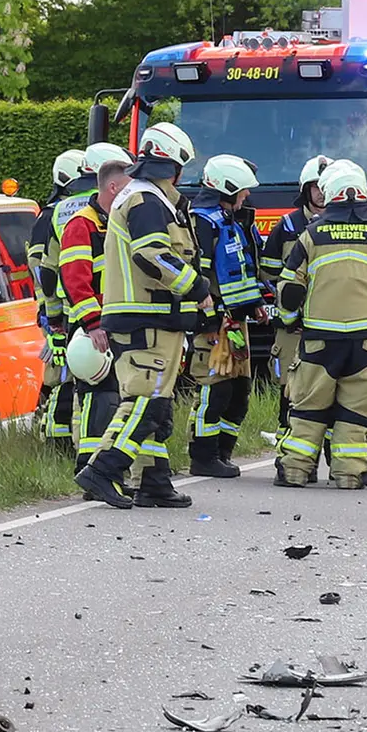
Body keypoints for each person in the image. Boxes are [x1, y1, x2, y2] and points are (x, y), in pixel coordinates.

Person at [73, 122, 210, 510]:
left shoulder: (144, 197)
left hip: (151, 319)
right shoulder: (147, 201)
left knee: (157, 405)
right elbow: (153, 255)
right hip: (145, 319)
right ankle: (104, 469)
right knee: (144, 402)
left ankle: (154, 482)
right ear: (175, 169)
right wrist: (196, 288)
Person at [275, 160, 367, 489]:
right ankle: (349, 475)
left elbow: (290, 289)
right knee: (355, 413)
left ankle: (295, 471)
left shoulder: (311, 234)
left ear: (329, 194)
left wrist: (292, 320)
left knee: (309, 408)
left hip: (319, 341)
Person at [186, 154, 266, 478]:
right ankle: (202, 457)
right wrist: (206, 321)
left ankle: (223, 452)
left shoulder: (234, 220)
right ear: (226, 189)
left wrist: (256, 303)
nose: (247, 196)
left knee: (239, 391)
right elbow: (198, 276)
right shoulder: (202, 222)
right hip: (214, 322)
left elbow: (244, 272)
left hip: (236, 321)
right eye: (243, 191)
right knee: (213, 389)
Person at [57, 143, 133, 474]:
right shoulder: (82, 224)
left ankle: (104, 466)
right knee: (98, 396)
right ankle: (88, 466)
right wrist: (92, 323)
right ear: (112, 187)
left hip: (115, 322)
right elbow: (75, 279)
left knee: (114, 396)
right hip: (93, 328)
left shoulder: (117, 221)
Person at [262, 155, 332, 457]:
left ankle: (332, 452)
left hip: (330, 322)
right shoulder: (288, 225)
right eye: (315, 186)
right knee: (289, 387)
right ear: (305, 189)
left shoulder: (342, 224)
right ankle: (287, 454)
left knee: (331, 388)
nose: (320, 193)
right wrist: (285, 301)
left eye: (325, 186)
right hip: (292, 325)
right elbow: (267, 270)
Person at [29, 148, 86, 452]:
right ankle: (54, 441)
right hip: (56, 310)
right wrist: (50, 313)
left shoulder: (60, 211)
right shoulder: (51, 215)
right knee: (60, 375)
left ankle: (61, 438)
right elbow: (41, 269)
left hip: (67, 306)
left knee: (70, 373)